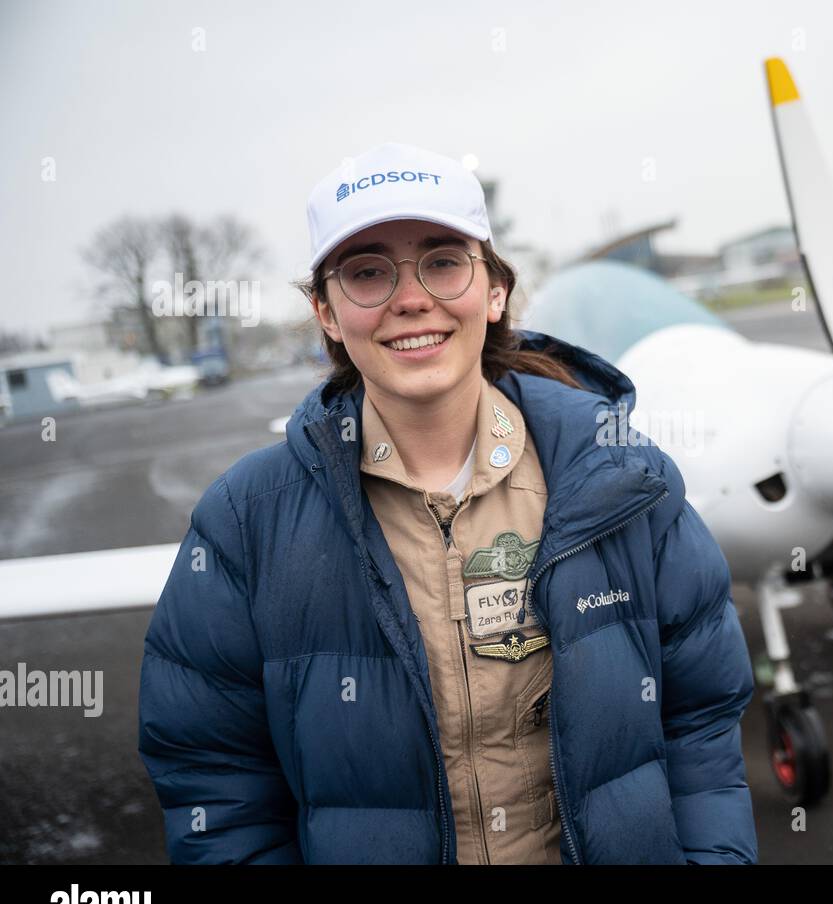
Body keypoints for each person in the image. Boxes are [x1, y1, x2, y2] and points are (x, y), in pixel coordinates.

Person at [137, 142, 759, 864]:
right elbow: (213, 776)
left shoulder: (626, 482)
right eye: (367, 272)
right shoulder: (245, 521)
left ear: (494, 291)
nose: (410, 298)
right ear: (327, 313)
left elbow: (702, 722)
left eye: (442, 260)